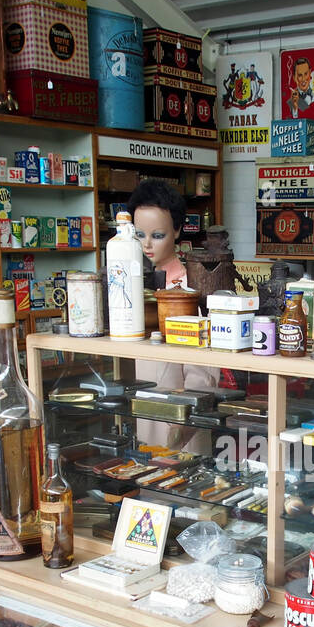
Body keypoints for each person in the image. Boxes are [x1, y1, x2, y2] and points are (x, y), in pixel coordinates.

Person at [126, 180, 218, 450]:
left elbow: (204, 369)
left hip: (180, 417)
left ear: (177, 230)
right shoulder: (129, 282)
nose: (146, 245)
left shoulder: (193, 284)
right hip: (138, 407)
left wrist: (185, 422)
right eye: (139, 234)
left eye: (157, 235)